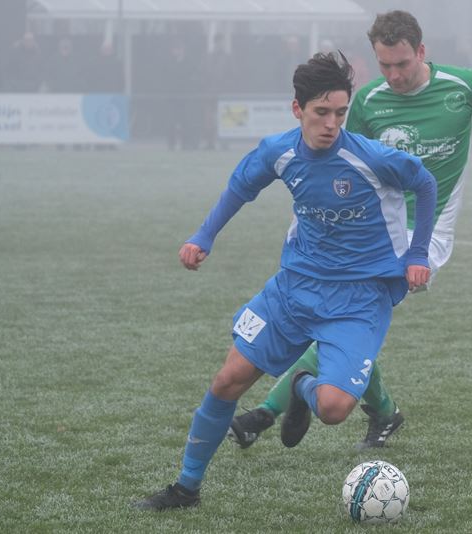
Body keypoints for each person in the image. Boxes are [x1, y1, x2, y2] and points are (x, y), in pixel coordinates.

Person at [133, 51, 438, 510]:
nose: (331, 123)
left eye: (340, 112)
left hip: (360, 298)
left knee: (334, 410)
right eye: (321, 112)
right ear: (297, 109)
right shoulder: (280, 152)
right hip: (294, 288)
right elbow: (241, 185)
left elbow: (425, 182)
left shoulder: (370, 158)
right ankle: (185, 488)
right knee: (226, 382)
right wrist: (204, 236)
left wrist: (418, 254)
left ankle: (301, 386)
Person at [228, 9, 472, 451]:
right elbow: (337, 161)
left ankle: (271, 409)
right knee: (348, 315)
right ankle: (380, 411)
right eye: (384, 65)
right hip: (368, 230)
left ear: (421, 52)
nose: (393, 75)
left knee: (348, 312)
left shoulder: (465, 87)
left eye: (403, 64)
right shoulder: (370, 99)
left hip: (427, 234)